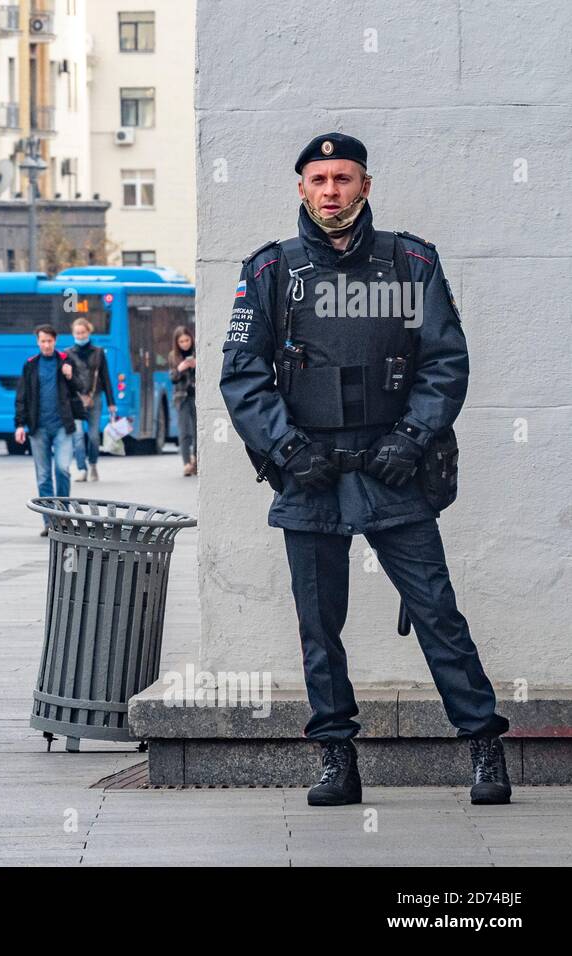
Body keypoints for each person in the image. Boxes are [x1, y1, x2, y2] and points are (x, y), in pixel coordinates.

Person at [220, 132, 511, 807]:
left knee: (437, 611)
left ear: (365, 186)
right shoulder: (271, 271)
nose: (331, 191)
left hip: (394, 466)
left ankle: (483, 743)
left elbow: (445, 360)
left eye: (344, 178)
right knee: (319, 627)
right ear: (302, 188)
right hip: (309, 471)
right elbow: (242, 375)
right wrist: (287, 448)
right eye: (319, 179)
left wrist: (413, 436)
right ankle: (336, 757)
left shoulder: (410, 263)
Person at [15, 325, 84, 537]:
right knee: (44, 476)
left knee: (62, 469)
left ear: (55, 341)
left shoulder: (66, 360)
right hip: (38, 428)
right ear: (38, 342)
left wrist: (70, 376)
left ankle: (63, 516)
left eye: (49, 341)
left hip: (63, 425)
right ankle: (49, 521)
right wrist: (19, 424)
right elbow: (22, 396)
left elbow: (81, 386)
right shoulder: (30, 365)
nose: (46, 345)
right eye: (43, 341)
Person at [66, 317, 116, 483]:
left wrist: (111, 402)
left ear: (89, 332)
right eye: (77, 333)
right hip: (76, 400)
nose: (80, 336)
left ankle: (93, 464)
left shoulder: (98, 352)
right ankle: (82, 469)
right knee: (78, 436)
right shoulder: (67, 354)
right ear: (73, 334)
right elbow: (65, 380)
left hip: (95, 398)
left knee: (94, 436)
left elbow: (105, 378)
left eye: (83, 332)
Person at [168, 326, 197, 476]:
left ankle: (196, 460)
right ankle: (186, 463)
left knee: (198, 430)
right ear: (177, 343)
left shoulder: (198, 352)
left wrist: (197, 365)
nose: (185, 344)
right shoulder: (173, 356)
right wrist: (180, 369)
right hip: (181, 397)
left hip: (197, 396)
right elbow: (172, 378)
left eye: (187, 340)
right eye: (181, 341)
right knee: (184, 431)